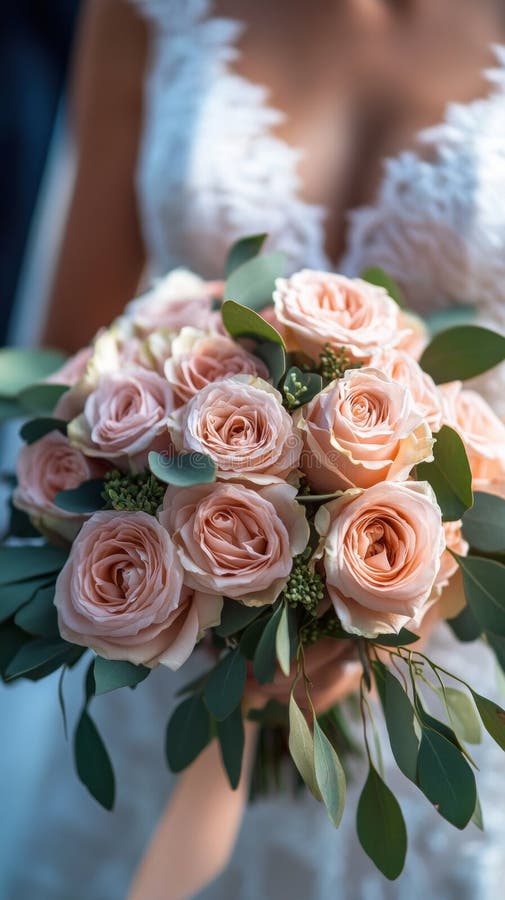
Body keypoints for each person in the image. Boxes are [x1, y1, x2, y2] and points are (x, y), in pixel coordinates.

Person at [3, 1, 505, 897]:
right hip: (170, 668)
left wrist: (418, 579)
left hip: (447, 676)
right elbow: (69, 350)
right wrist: (184, 553)